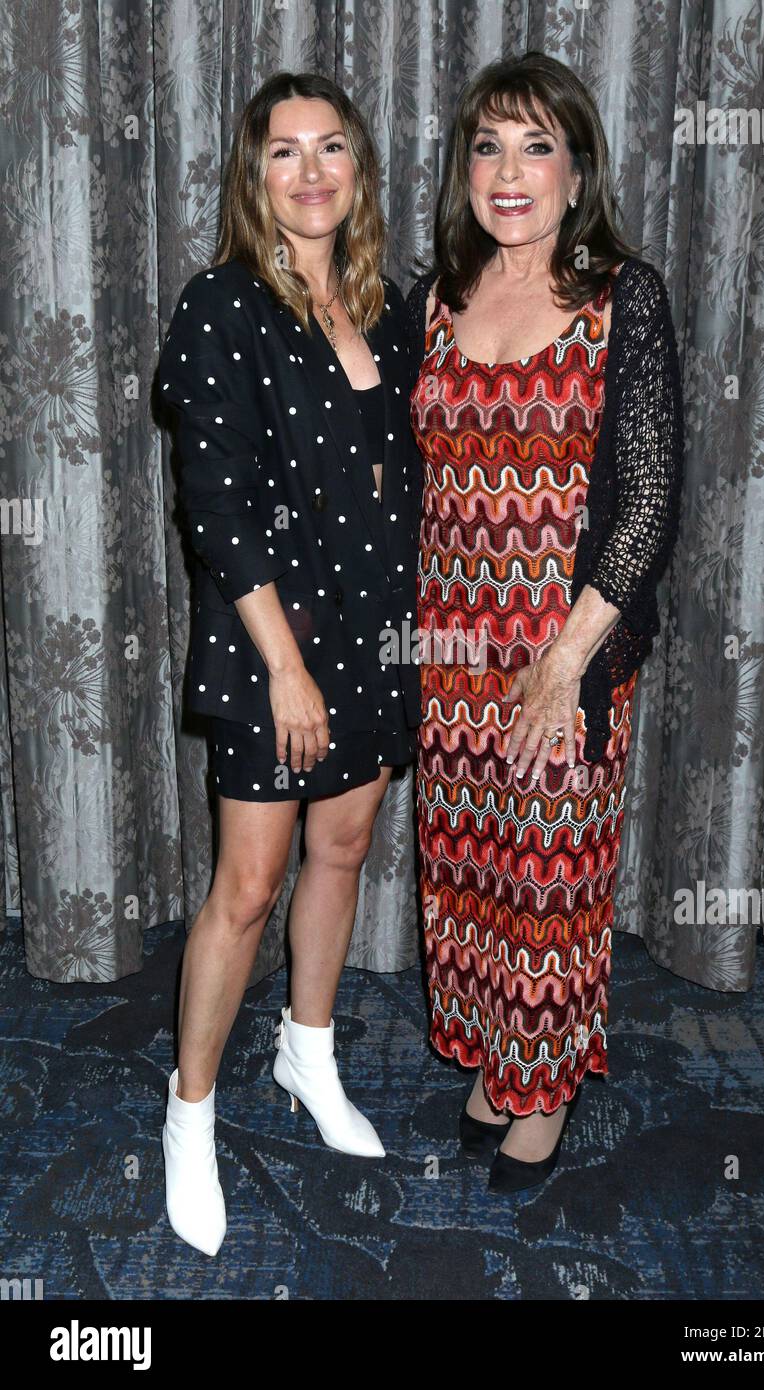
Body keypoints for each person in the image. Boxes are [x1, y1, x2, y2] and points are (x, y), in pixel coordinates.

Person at [406, 51, 683, 1193]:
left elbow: (653, 492)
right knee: (466, 870)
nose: (507, 170)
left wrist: (567, 661)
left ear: (576, 171)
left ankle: (546, 1089)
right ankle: (494, 1058)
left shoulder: (624, 295)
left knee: (553, 879)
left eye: (534, 146)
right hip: (450, 648)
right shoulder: (437, 295)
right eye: (486, 144)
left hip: (564, 645)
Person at [156, 70, 422, 1254]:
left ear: (357, 171)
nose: (310, 172)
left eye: (330, 150)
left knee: (345, 844)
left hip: (377, 627)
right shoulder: (221, 306)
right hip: (277, 641)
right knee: (248, 885)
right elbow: (214, 506)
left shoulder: (387, 303)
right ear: (252, 176)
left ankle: (306, 1053)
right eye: (282, 152)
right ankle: (190, 1112)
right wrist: (284, 666)